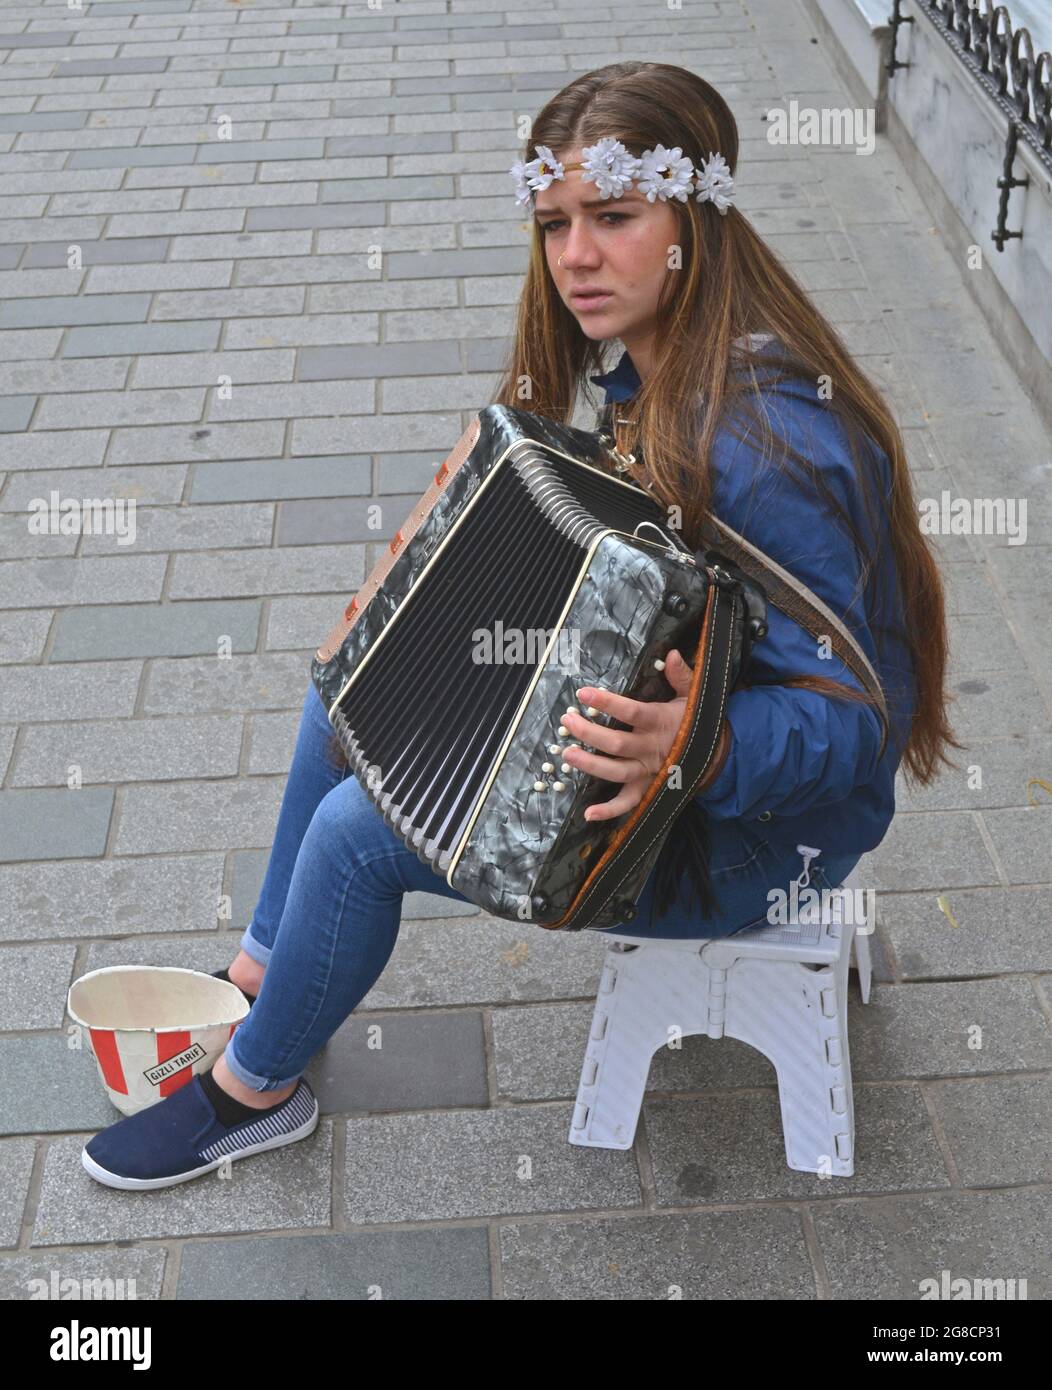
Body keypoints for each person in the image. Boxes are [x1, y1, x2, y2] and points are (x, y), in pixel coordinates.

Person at [80, 60, 960, 1190]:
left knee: (358, 836)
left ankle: (252, 1096)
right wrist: (424, 615)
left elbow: (856, 727)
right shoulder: (656, 369)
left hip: (743, 832)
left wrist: (701, 747)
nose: (575, 257)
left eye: (612, 217)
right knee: (348, 690)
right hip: (667, 760)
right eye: (553, 224)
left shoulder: (766, 441)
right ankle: (258, 984)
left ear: (692, 220)